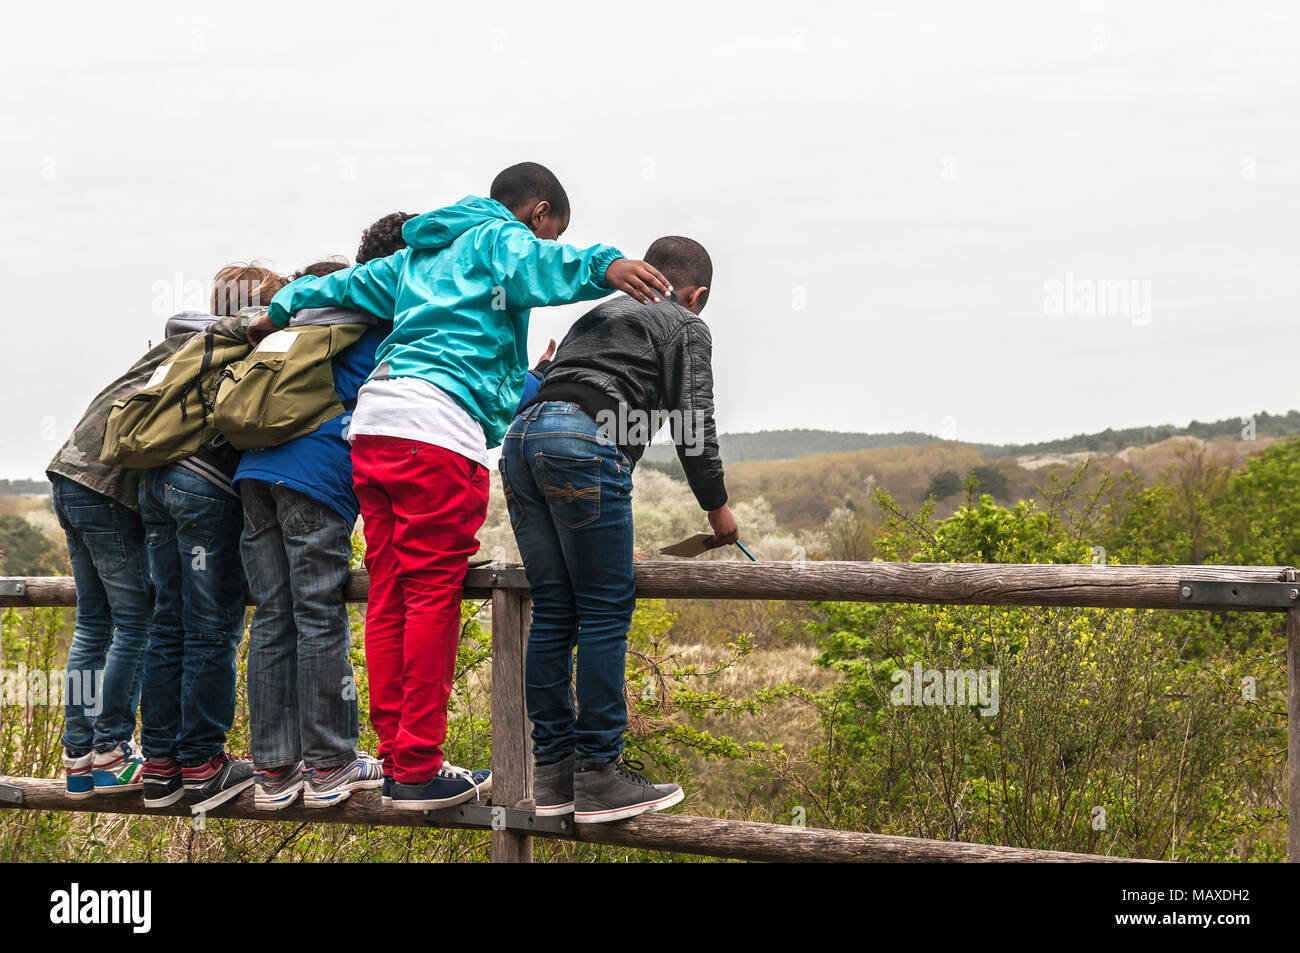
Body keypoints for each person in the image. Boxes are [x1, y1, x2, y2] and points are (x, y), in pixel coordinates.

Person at [249, 161, 673, 810]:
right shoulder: (497, 238)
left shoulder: (419, 256)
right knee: (431, 593)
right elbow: (539, 265)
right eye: (550, 230)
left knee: (391, 589)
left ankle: (399, 758)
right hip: (436, 433)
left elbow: (343, 285)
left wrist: (273, 312)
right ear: (537, 214)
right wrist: (606, 264)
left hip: (374, 428)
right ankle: (418, 767)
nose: (545, 242)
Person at [502, 236, 737, 823]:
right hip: (582, 443)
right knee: (606, 609)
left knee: (556, 609)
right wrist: (718, 510)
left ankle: (553, 778)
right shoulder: (684, 322)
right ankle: (600, 776)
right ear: (698, 294)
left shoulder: (600, 310)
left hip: (522, 441)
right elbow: (693, 424)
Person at [235, 223, 408, 809]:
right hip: (316, 475)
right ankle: (332, 763)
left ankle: (274, 771)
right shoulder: (383, 315)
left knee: (272, 618)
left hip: (254, 471)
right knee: (317, 613)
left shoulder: (304, 314)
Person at [46, 314, 220, 798]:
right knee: (137, 623)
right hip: (106, 493)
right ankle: (112, 751)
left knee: (92, 624)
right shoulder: (204, 353)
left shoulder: (159, 356)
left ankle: (79, 757)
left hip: (68, 477)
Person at [138, 263, 288, 813]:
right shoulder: (253, 343)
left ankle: (159, 764)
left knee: (167, 624)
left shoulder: (186, 339)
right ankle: (202, 762)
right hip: (204, 488)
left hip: (155, 482)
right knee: (210, 628)